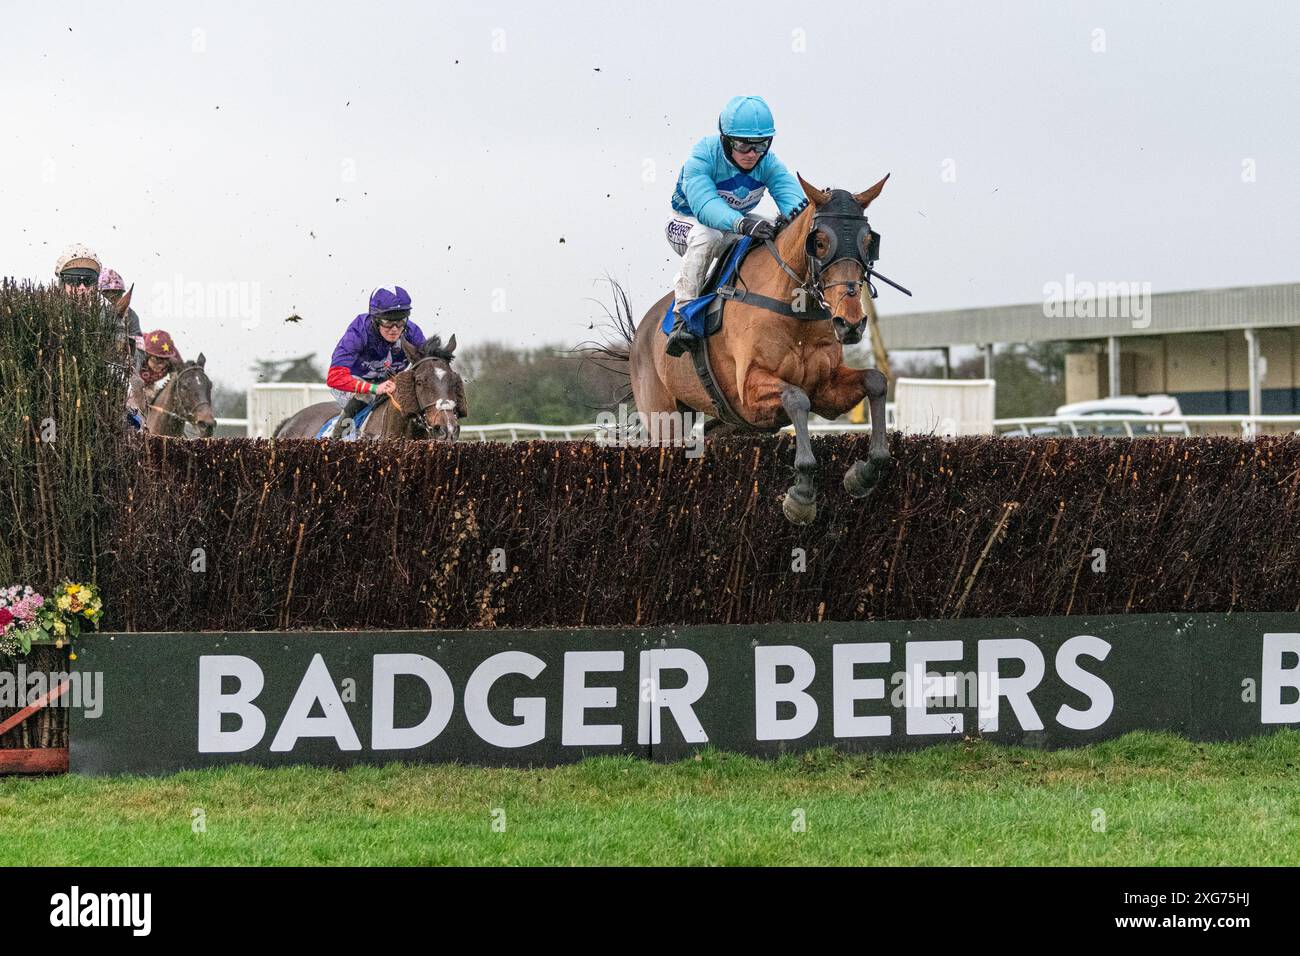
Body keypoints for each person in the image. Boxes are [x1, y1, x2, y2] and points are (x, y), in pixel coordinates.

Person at [663, 95, 808, 356]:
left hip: (733, 225)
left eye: (761, 145)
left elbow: (796, 206)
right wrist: (741, 223)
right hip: (687, 223)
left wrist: (811, 221)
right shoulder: (702, 156)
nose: (752, 154)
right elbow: (705, 206)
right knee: (708, 237)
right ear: (725, 140)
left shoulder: (768, 163)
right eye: (743, 145)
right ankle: (683, 315)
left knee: (778, 232)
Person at [325, 286, 426, 438]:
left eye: (400, 322)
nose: (394, 329)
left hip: (387, 381)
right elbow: (334, 378)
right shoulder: (359, 332)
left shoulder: (412, 332)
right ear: (375, 320)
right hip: (352, 382)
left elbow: (427, 366)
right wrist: (373, 388)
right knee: (366, 396)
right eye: (387, 322)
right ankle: (336, 439)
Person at [128, 330, 184, 423]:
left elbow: (184, 375)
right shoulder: (137, 355)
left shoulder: (175, 360)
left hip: (149, 383)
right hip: (130, 381)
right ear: (147, 356)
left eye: (164, 362)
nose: (160, 366)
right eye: (156, 360)